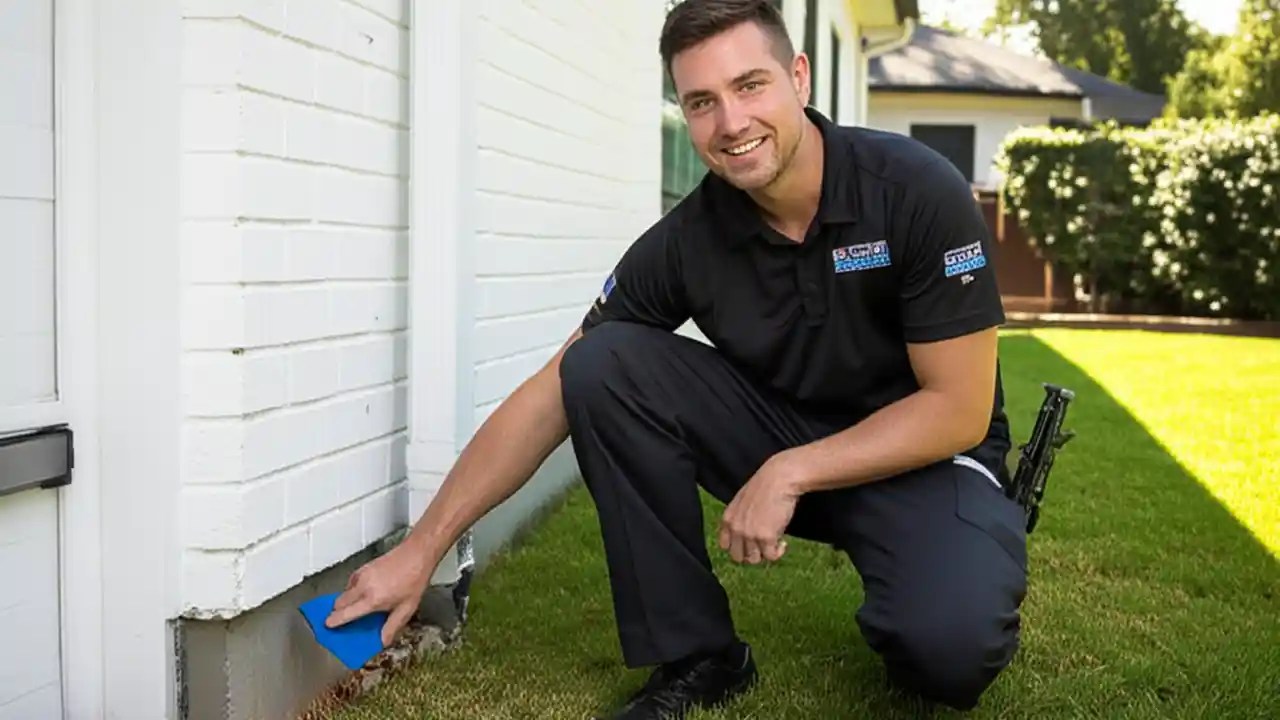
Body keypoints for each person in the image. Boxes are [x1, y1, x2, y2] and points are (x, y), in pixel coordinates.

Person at [325, 0, 1029, 717]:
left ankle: (946, 573)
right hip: (781, 437)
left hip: (924, 458)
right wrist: (422, 550)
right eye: (701, 102)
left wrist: (794, 471)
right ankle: (699, 655)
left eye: (750, 86)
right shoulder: (689, 240)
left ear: (799, 77)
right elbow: (553, 392)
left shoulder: (913, 191)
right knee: (602, 364)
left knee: (948, 654)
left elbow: (959, 409)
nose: (730, 123)